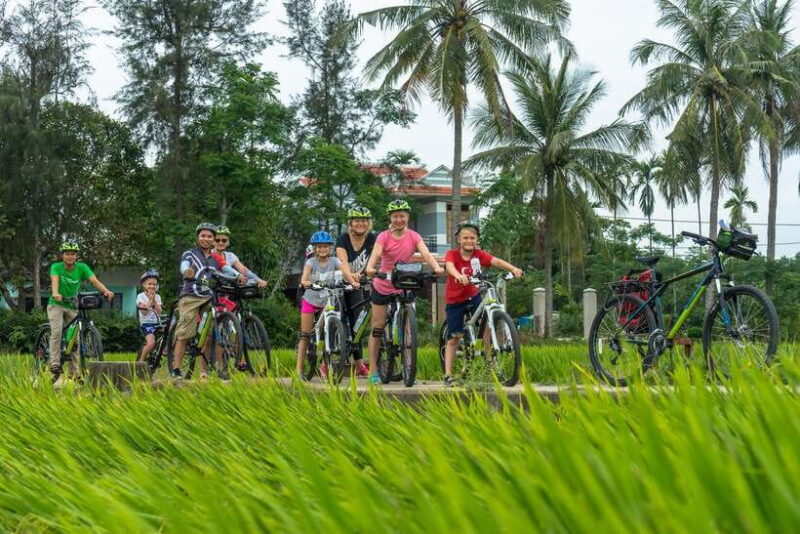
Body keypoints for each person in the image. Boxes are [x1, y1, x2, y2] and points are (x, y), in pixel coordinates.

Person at [365, 200, 444, 385]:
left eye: (402, 216)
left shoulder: (414, 236)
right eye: (395, 216)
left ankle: (410, 371)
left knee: (409, 329)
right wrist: (370, 267)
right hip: (383, 283)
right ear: (390, 219)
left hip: (403, 282)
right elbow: (376, 254)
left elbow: (425, 253)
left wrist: (435, 267)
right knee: (377, 327)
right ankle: (374, 371)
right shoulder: (383, 237)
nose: (399, 219)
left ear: (407, 217)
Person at [442, 222, 523, 387]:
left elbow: (496, 261)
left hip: (473, 296)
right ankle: (448, 374)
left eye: (472, 238)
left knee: (487, 324)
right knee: (454, 338)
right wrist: (458, 275)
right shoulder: (452, 254)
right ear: (459, 239)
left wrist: (513, 268)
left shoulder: (479, 255)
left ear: (477, 240)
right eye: (465, 237)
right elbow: (449, 266)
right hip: (455, 300)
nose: (469, 240)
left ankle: (488, 361)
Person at [48, 242, 115, 381]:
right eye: (67, 254)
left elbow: (94, 281)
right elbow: (54, 281)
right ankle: (54, 363)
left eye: (72, 254)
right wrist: (55, 293)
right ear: (62, 255)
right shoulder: (56, 267)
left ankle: (75, 373)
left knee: (75, 338)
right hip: (56, 304)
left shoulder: (82, 268)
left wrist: (106, 291)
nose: (70, 256)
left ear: (76, 256)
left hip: (73, 305)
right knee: (57, 332)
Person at [171, 222, 224, 379]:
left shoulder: (215, 259)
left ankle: (204, 372)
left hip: (207, 297)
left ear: (213, 240)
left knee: (208, 334)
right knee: (185, 333)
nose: (206, 239)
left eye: (209, 236)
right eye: (203, 236)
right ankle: (176, 370)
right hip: (190, 297)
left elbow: (228, 271)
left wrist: (241, 277)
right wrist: (186, 271)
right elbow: (184, 266)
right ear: (198, 238)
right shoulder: (190, 254)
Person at [335, 206, 376, 378]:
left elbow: (373, 259)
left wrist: (363, 275)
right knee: (337, 320)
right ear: (350, 223)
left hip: (358, 283)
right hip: (341, 283)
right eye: (357, 220)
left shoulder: (372, 238)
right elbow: (342, 262)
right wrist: (351, 279)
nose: (361, 223)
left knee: (358, 323)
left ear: (368, 223)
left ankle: (359, 365)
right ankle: (325, 362)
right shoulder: (343, 239)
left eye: (364, 220)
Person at [296, 231, 341, 379]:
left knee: (328, 332)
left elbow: (344, 272)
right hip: (310, 300)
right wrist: (305, 281)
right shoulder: (311, 262)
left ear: (330, 248)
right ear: (315, 248)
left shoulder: (335, 261)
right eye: (319, 246)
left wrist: (351, 280)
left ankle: (326, 366)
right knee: (305, 334)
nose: (323, 249)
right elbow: (305, 275)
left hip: (327, 300)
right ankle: (299, 369)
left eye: (326, 246)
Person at [136, 269, 163, 363]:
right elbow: (144, 312)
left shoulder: (158, 297)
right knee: (151, 343)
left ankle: (162, 351)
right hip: (146, 324)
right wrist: (150, 300)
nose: (152, 286)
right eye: (149, 284)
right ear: (144, 285)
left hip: (157, 323)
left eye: (154, 284)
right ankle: (141, 360)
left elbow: (159, 311)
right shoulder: (140, 296)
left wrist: (154, 300)